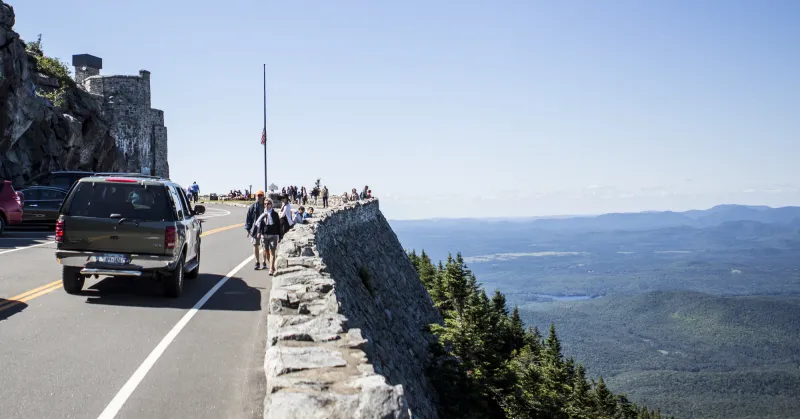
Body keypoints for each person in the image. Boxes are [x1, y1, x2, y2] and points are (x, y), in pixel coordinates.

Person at [252, 199, 281, 274]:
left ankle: (271, 268)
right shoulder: (263, 213)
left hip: (273, 235)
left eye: (268, 204)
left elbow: (278, 225)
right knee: (266, 251)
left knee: (272, 251)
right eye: (265, 204)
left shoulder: (275, 214)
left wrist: (280, 236)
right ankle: (272, 265)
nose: (266, 205)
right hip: (264, 235)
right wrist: (258, 232)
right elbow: (259, 224)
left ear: (271, 204)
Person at [244, 190, 266, 270]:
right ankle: (257, 262)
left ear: (263, 196)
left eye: (261, 195)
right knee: (255, 245)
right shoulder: (252, 207)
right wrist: (248, 229)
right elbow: (248, 218)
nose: (259, 197)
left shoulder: (266, 205)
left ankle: (264, 262)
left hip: (264, 228)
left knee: (264, 245)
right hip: (255, 228)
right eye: (258, 196)